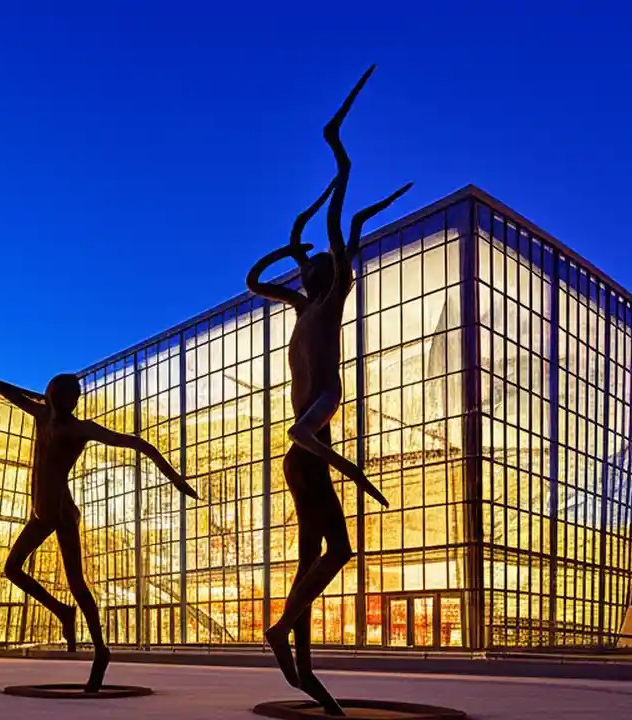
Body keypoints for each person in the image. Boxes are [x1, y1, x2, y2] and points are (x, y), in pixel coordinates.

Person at [246, 65, 409, 716]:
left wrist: (306, 233)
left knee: (314, 554)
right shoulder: (326, 309)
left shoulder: (301, 311)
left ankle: (305, 669)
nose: (336, 275)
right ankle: (283, 632)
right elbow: (300, 431)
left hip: (301, 462)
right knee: (336, 550)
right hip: (306, 457)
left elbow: (257, 279)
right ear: (329, 282)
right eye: (330, 272)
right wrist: (356, 474)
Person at [0, 361, 198, 693]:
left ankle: (101, 650)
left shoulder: (80, 429)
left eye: (67, 397)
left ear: (73, 401)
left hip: (60, 512)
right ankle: (63, 611)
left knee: (77, 583)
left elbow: (138, 444)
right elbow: (8, 392)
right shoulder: (41, 416)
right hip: (41, 512)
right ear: (49, 396)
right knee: (12, 569)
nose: (58, 401)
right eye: (55, 395)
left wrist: (175, 479)